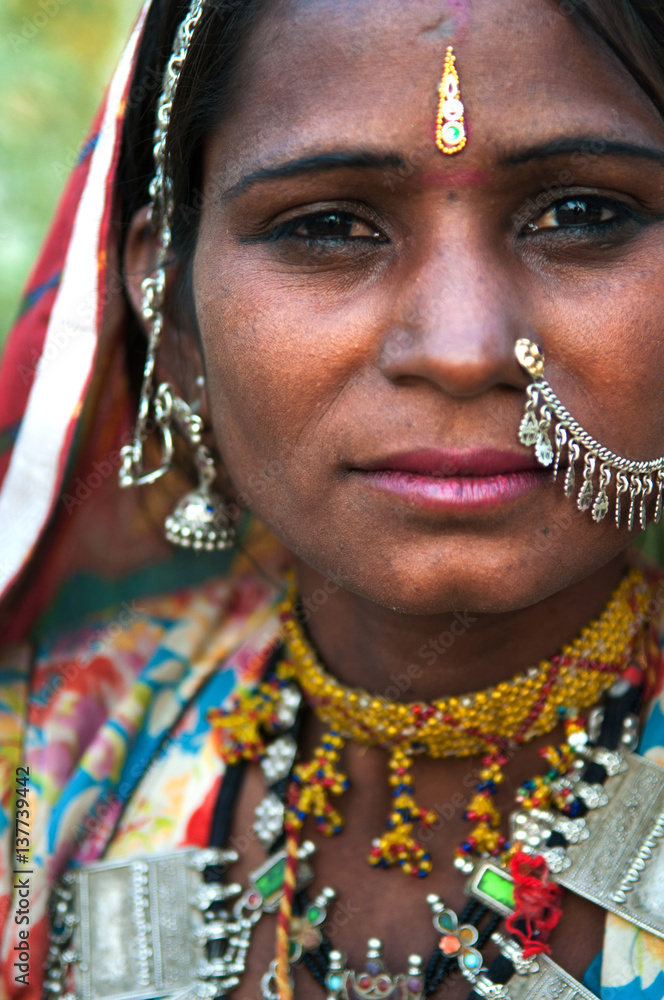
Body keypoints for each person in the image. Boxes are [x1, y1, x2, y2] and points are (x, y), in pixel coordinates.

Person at [1, 0, 664, 997]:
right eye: (328, 226)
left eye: (580, 214)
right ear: (168, 307)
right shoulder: (42, 755)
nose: (459, 348)